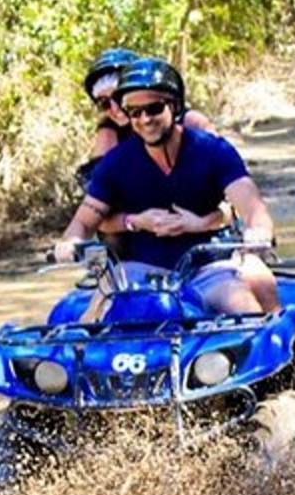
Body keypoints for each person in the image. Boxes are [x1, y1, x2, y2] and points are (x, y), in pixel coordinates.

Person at [54, 57, 278, 315]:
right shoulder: (115, 162)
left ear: (174, 106)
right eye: (135, 112)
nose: (145, 119)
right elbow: (84, 221)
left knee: (244, 309)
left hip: (208, 268)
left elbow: (253, 209)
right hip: (137, 273)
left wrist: (258, 230)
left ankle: (290, 353)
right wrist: (70, 242)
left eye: (154, 108)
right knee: (91, 324)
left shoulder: (213, 150)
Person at [80, 47, 216, 167]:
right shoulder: (109, 134)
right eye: (105, 103)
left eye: (119, 98)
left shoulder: (190, 122)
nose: (115, 109)